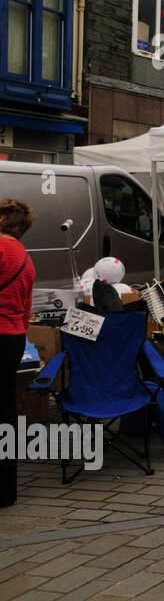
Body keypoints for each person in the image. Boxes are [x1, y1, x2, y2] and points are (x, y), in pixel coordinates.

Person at [0, 199, 36, 509]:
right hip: (13, 338)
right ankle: (6, 490)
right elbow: (25, 310)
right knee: (6, 410)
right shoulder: (26, 258)